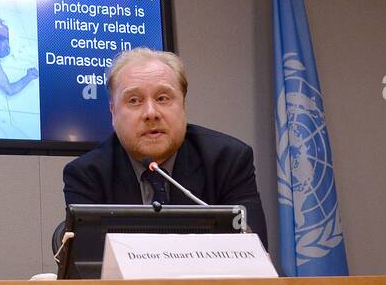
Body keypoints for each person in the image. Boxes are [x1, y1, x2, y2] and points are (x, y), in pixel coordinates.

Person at [62, 47, 268, 246]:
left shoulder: (227, 160)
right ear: (113, 112)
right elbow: (88, 270)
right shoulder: (87, 175)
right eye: (134, 100)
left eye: (163, 98)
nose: (151, 113)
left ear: (183, 106)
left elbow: (254, 254)